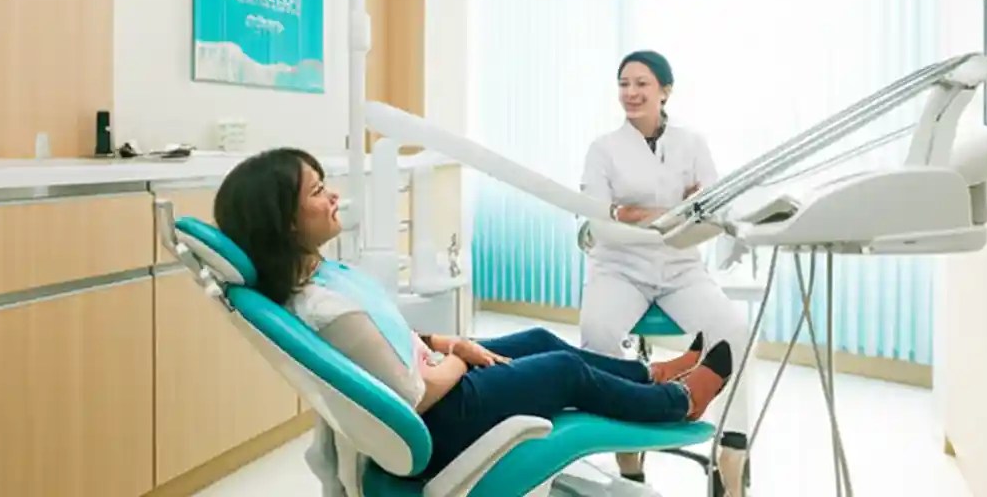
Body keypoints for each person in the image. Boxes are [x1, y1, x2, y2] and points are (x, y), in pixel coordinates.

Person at [213, 147, 735, 491]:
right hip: (440, 419)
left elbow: (379, 338)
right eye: (316, 191)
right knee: (561, 371)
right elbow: (414, 396)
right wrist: (459, 357)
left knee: (533, 336)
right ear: (285, 221)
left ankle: (650, 373)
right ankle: (678, 402)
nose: (332, 196)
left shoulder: (319, 281)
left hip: (435, 383)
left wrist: (443, 339)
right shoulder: (325, 306)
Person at [579, 49, 751, 496]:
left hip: (679, 269)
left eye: (642, 84)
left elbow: (713, 210)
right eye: (624, 84)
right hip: (620, 268)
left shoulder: (692, 144)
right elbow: (601, 224)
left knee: (733, 330)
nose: (631, 93)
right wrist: (676, 208)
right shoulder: (603, 150)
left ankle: (730, 458)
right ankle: (629, 458)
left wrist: (635, 212)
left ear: (665, 91)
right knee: (597, 331)